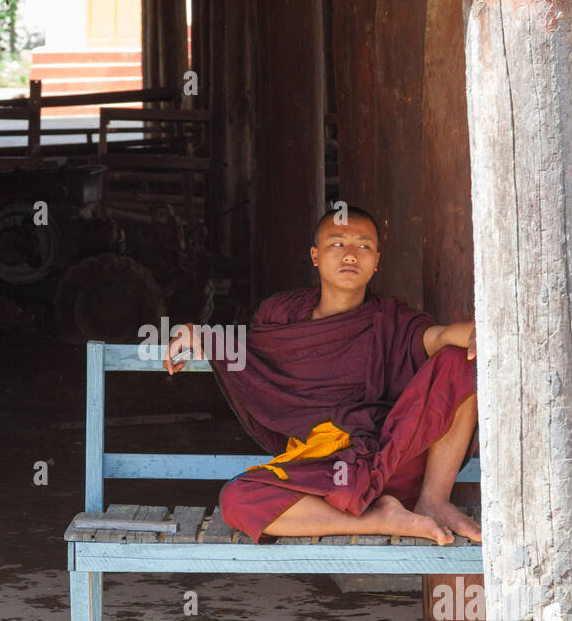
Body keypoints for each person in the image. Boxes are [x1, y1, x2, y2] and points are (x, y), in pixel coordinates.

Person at [163, 206, 481, 546]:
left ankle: (434, 500)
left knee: (462, 360)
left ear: (377, 260)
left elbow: (441, 336)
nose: (350, 255)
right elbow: (252, 355)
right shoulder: (284, 318)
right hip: (322, 469)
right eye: (337, 244)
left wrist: (478, 332)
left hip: (390, 459)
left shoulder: (391, 320)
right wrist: (198, 333)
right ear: (315, 256)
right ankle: (379, 520)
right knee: (237, 499)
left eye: (363, 246)